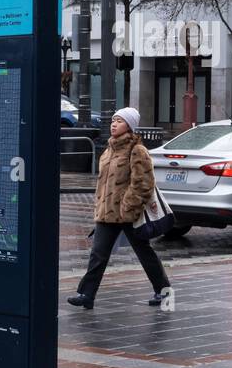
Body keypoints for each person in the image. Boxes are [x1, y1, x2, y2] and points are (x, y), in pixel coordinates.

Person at [68, 106, 171, 309]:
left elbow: (143, 183)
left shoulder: (137, 150)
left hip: (128, 214)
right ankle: (87, 295)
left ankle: (164, 291)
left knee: (144, 252)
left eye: (119, 121)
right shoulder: (109, 149)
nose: (114, 124)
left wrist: (127, 208)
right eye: (113, 120)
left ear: (130, 126)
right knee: (98, 254)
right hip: (107, 214)